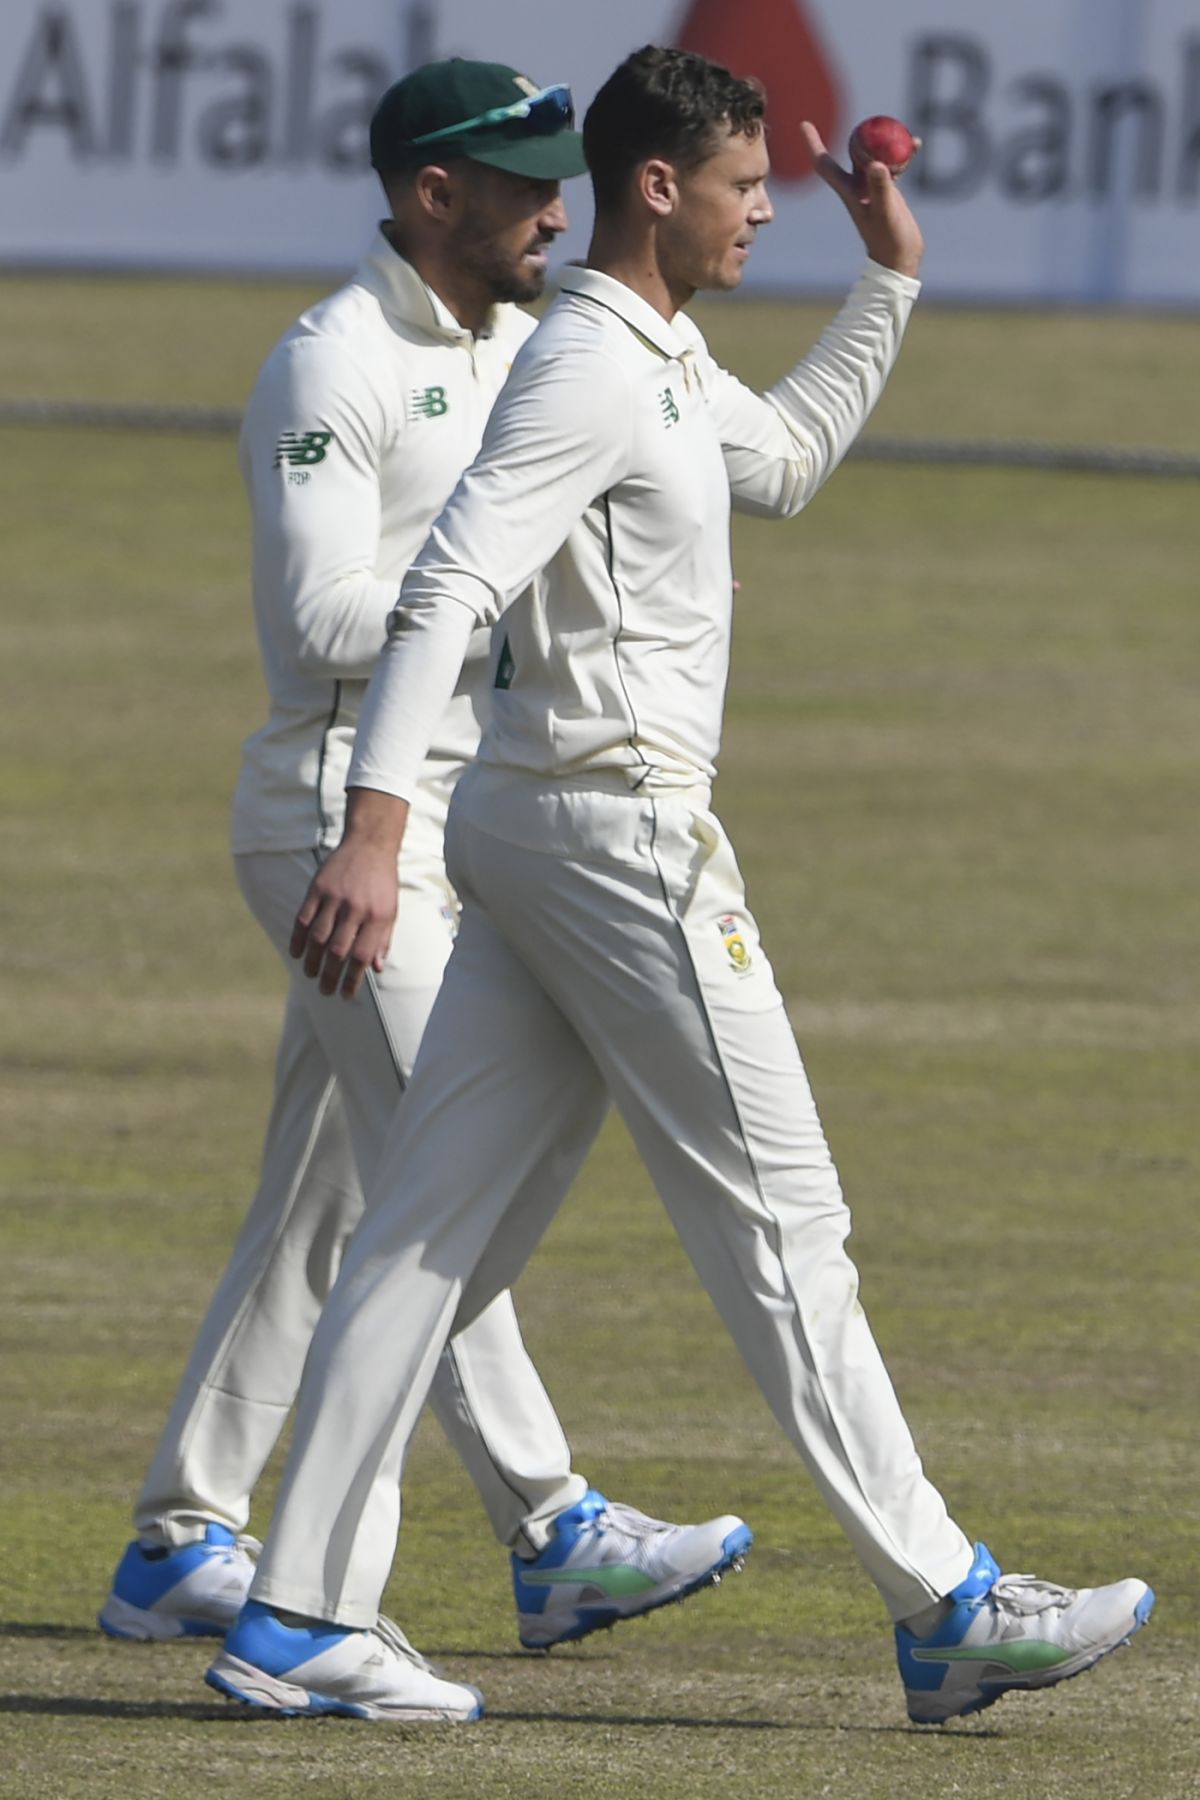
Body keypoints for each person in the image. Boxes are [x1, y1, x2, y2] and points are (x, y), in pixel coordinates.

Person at [206, 46, 1154, 1727]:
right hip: (615, 841)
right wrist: (368, 827)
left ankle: (292, 1618)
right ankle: (947, 1600)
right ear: (663, 187)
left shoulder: (654, 350)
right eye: (740, 186)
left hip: (539, 834)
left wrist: (889, 283)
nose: (763, 207)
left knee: (420, 1239)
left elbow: (779, 461)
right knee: (785, 1223)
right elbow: (440, 597)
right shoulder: (582, 364)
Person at [98, 58, 751, 1679]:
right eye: (529, 180)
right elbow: (319, 623)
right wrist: (484, 586)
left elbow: (757, 461)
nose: (560, 206)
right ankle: (550, 1528)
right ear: (429, 194)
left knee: (325, 1200)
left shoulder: (542, 341)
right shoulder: (333, 361)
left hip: (464, 824)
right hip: (336, 828)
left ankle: (183, 1535)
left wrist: (885, 284)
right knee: (434, 1193)